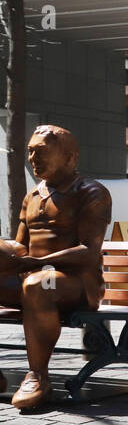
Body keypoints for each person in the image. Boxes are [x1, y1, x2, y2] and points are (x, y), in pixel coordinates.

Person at [0, 126, 112, 409]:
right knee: (34, 283)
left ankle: (38, 376)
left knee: (38, 285)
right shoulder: (32, 196)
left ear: (70, 157)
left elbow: (89, 251)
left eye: (42, 152)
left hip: (78, 283)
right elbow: (21, 246)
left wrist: (40, 263)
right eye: (30, 152)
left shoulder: (91, 192)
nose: (33, 159)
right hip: (34, 277)